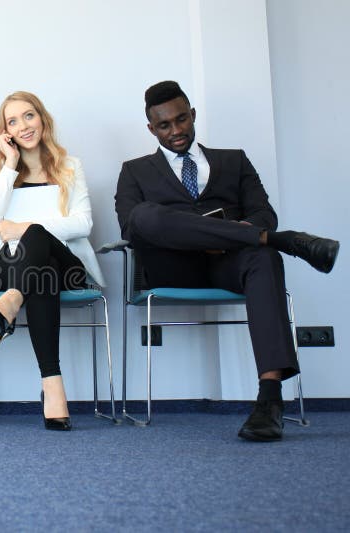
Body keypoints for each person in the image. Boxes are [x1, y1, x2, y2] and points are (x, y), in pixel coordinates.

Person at [115, 80, 339, 441]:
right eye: (164, 125)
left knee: (264, 257)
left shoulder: (233, 160)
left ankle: (269, 400)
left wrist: (237, 233)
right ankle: (290, 244)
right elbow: (130, 227)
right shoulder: (135, 170)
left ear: (193, 115)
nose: (176, 131)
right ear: (151, 129)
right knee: (144, 216)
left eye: (182, 119)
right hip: (173, 269)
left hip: (227, 266)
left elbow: (264, 213)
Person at [0, 91, 106, 431]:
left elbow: (83, 222)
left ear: (42, 119)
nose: (23, 126)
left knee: (40, 240)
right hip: (9, 265)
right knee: (40, 275)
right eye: (12, 121)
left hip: (67, 266)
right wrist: (10, 164)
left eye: (29, 116)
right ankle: (53, 385)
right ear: (5, 132)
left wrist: (24, 228)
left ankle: (12, 301)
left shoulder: (70, 166)